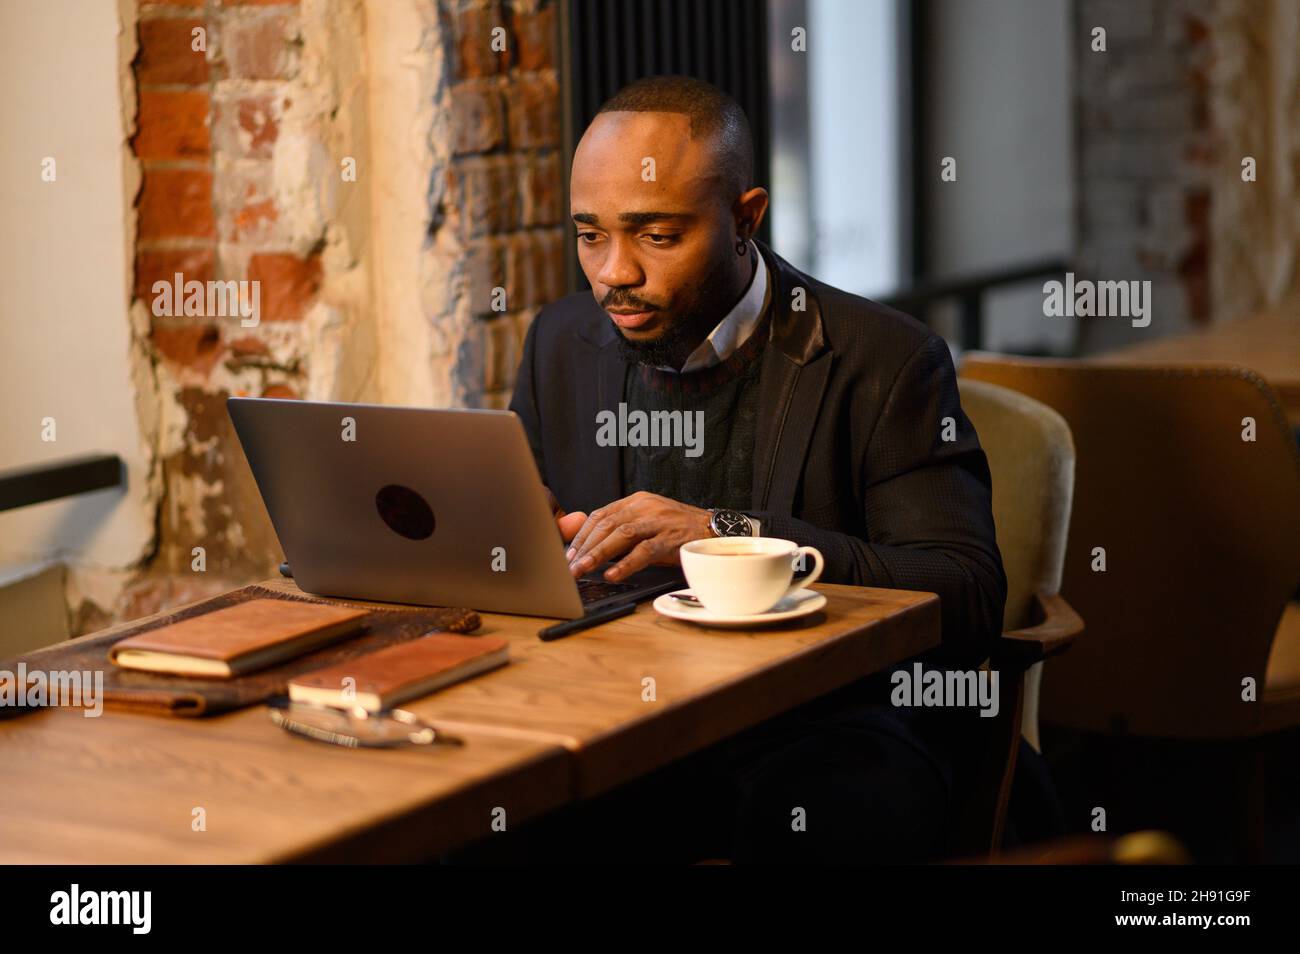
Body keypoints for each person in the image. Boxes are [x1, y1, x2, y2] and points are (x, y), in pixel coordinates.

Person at [503, 75, 1008, 863]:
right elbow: (535, 521)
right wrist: (515, 537)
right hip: (625, 711)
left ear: (745, 220)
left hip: (827, 720)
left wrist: (726, 536)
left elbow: (967, 594)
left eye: (656, 236)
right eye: (590, 235)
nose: (613, 274)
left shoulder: (885, 359)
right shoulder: (560, 343)